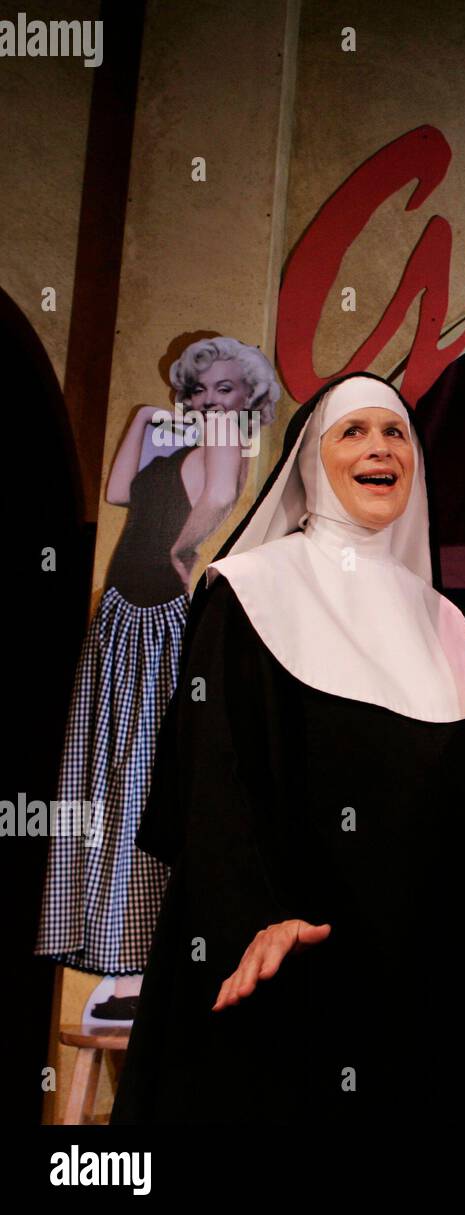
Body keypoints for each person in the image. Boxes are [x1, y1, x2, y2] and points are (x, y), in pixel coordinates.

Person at [112, 372, 465, 1124]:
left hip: (413, 988)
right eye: (352, 431)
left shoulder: (447, 624)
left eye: (395, 433)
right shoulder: (252, 587)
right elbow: (210, 779)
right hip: (284, 968)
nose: (379, 446)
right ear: (310, 462)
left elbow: (464, 824)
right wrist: (252, 917)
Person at [35, 336, 276, 1017]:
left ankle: (141, 960)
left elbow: (220, 496)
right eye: (200, 389)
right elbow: (118, 491)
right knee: (106, 775)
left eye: (225, 388)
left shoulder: (225, 439)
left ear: (245, 398)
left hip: (155, 617)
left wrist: (179, 546)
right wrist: (145, 414)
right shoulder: (176, 443)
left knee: (140, 777)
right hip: (119, 610)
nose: (209, 400)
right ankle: (117, 957)